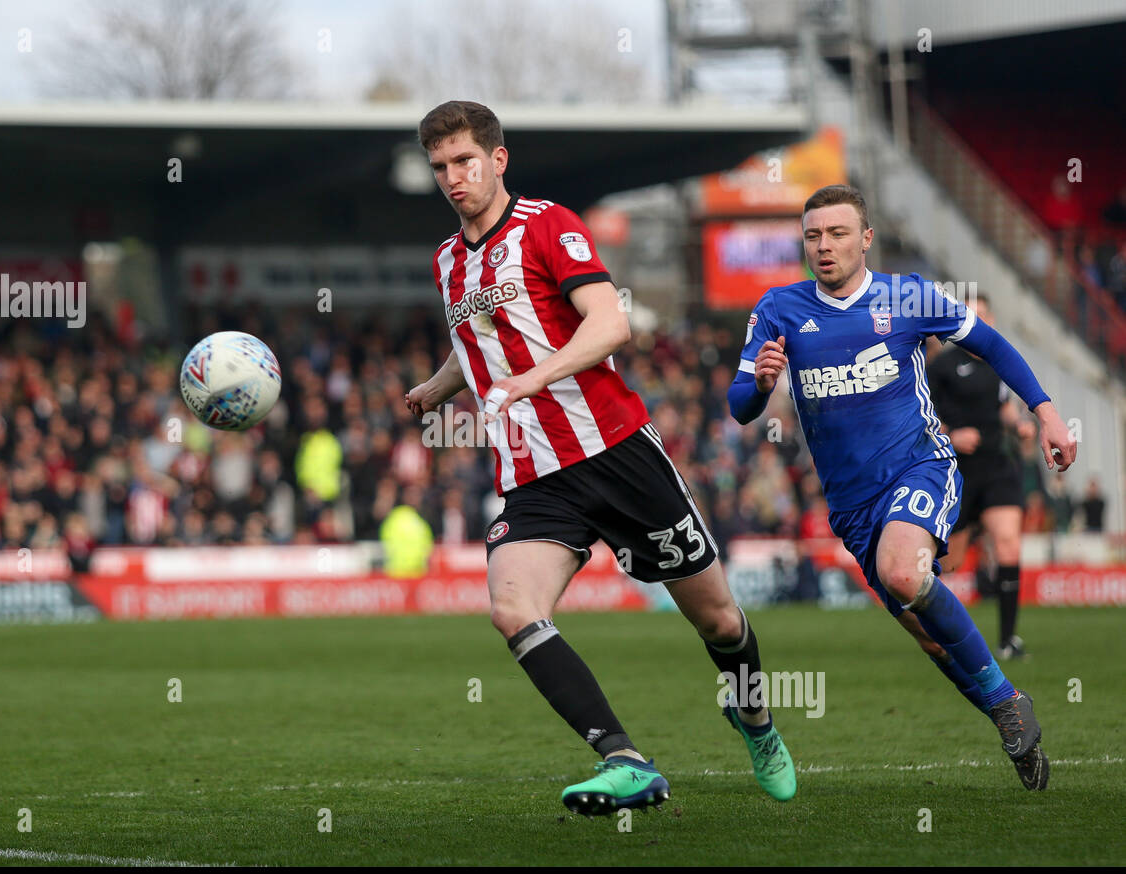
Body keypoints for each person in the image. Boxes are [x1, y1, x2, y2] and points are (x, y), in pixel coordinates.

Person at [406, 100, 796, 814]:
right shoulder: (446, 263)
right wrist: (436, 387)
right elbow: (483, 343)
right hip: (532, 474)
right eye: (440, 167)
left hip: (614, 452)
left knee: (720, 622)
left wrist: (535, 377)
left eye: (465, 161)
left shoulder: (549, 225)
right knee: (511, 607)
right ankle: (624, 759)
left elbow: (610, 323)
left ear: (498, 159)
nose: (454, 178)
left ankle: (758, 723)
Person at [730, 184, 1077, 791]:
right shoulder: (778, 309)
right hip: (852, 506)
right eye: (813, 235)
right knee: (930, 636)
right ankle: (1008, 712)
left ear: (865, 239)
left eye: (838, 233)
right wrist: (760, 385)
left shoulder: (908, 297)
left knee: (903, 572)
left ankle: (1004, 701)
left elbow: (990, 344)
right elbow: (738, 407)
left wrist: (1045, 412)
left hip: (920, 466)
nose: (824, 246)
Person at [927, 293, 1034, 659]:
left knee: (1008, 543)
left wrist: (1020, 425)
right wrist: (951, 436)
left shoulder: (997, 360)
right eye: (973, 316)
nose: (980, 322)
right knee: (947, 563)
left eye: (985, 315)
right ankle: (934, 634)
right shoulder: (941, 366)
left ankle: (1007, 640)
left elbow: (1003, 404)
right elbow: (922, 413)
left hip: (995, 466)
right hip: (956, 472)